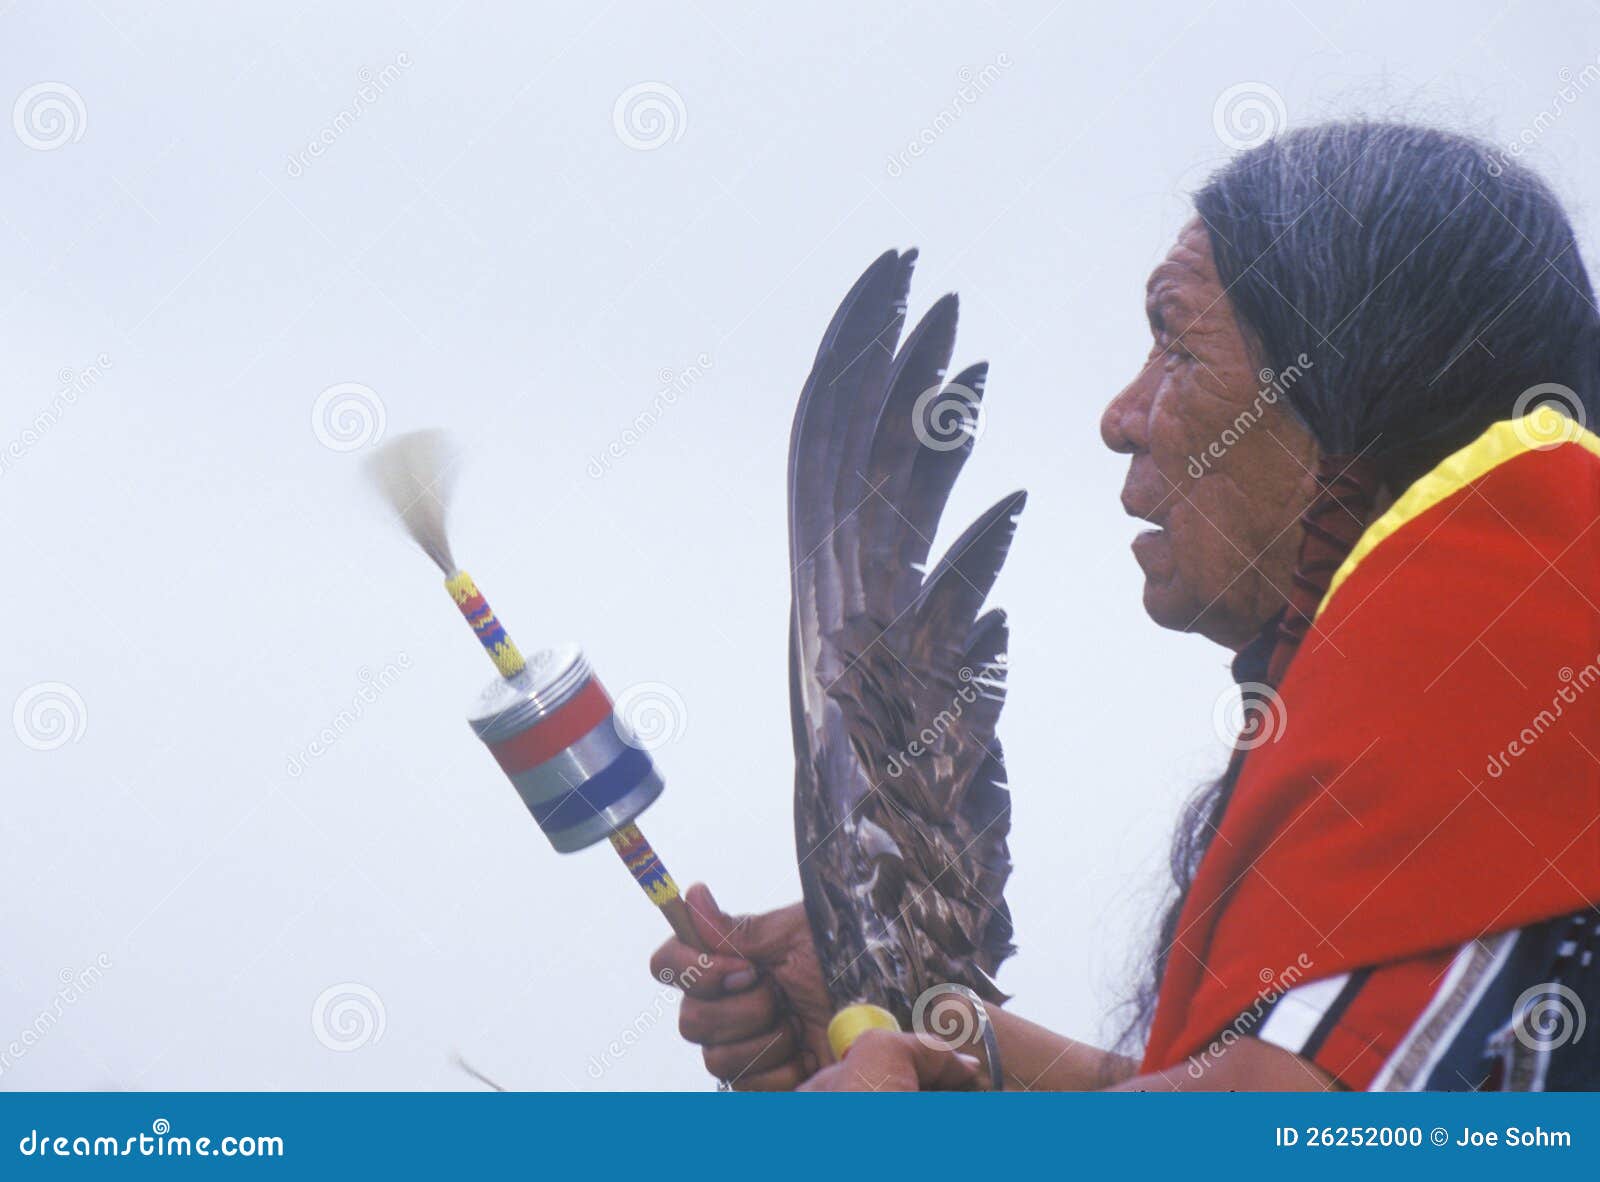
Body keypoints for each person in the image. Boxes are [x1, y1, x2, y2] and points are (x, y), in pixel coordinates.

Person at [652, 121, 1600, 1091]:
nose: (1121, 416)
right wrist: (931, 1031)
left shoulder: (1513, 658)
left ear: (1350, 383)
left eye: (1177, 348)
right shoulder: (1462, 675)